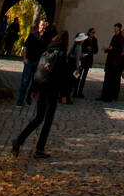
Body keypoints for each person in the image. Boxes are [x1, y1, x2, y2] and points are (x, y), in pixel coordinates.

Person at [11, 31, 68, 160]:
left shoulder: (46, 52)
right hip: (52, 91)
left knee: (38, 118)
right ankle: (39, 149)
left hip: (42, 88)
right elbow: (62, 77)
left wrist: (34, 89)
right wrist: (64, 94)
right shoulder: (61, 54)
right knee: (47, 121)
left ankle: (19, 140)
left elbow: (39, 71)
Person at [16, 18, 51, 107]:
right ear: (39, 25)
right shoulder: (33, 35)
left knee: (35, 82)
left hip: (39, 63)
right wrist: (24, 58)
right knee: (25, 81)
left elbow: (47, 51)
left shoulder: (47, 37)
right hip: (30, 60)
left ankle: (28, 98)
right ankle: (20, 100)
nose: (43, 26)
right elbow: (25, 47)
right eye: (42, 24)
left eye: (44, 25)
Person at [100, 23, 124, 102]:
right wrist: (107, 49)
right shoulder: (114, 36)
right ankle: (103, 95)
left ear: (118, 28)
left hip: (115, 62)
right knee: (106, 79)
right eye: (114, 27)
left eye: (115, 27)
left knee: (111, 80)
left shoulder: (120, 38)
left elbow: (120, 50)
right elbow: (111, 47)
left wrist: (111, 49)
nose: (114, 29)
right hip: (110, 61)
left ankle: (108, 97)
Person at [75, 28, 97, 98]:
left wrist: (92, 49)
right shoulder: (85, 39)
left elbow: (96, 50)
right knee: (79, 75)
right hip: (83, 59)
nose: (93, 34)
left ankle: (80, 92)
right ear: (89, 32)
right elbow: (81, 47)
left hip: (89, 60)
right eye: (92, 32)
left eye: (94, 33)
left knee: (84, 77)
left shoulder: (95, 40)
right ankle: (75, 91)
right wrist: (86, 49)